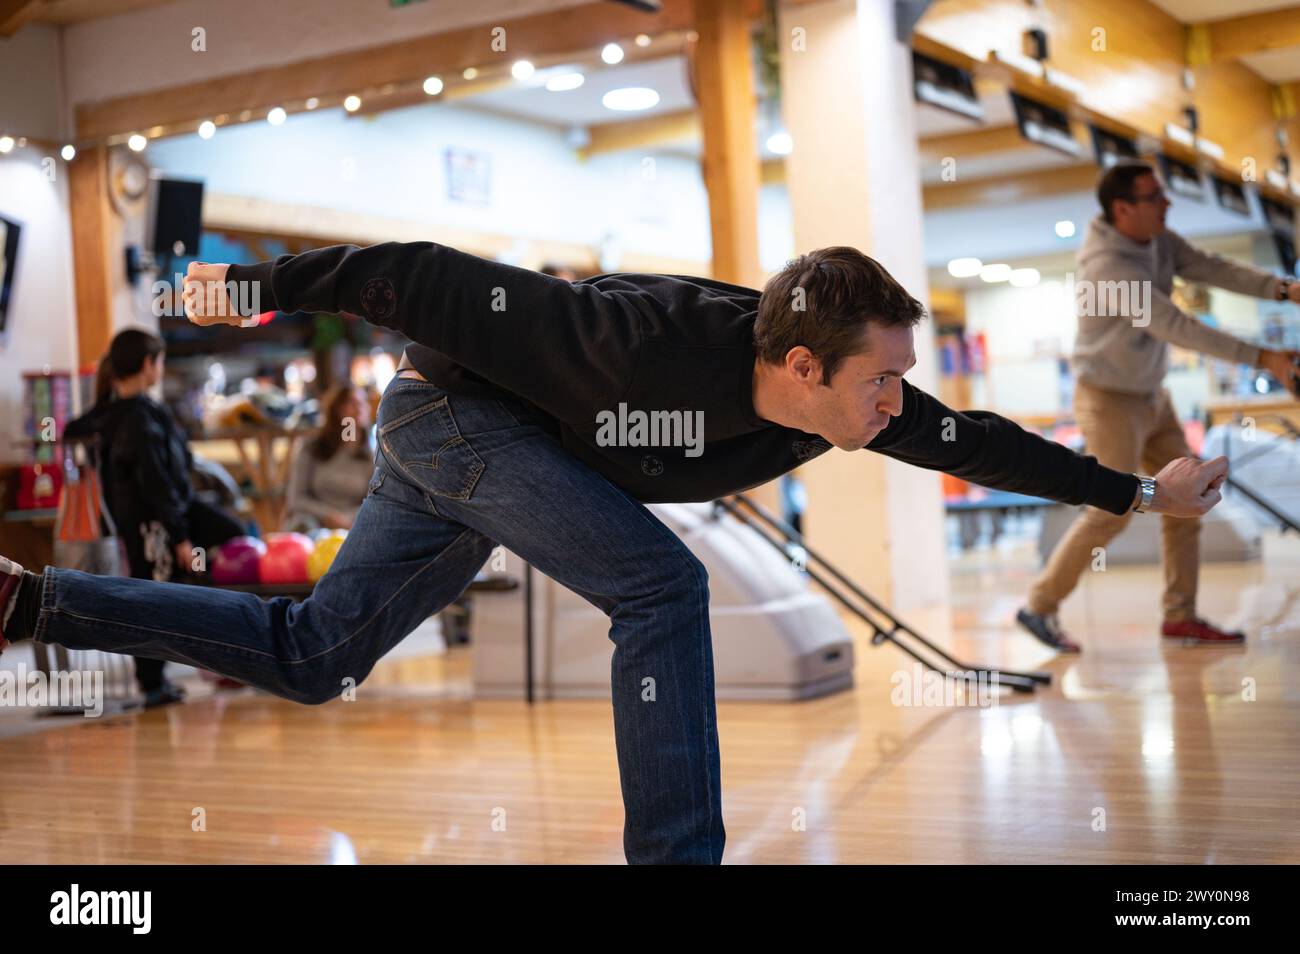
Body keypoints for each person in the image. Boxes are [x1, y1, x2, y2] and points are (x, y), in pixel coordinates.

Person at [1, 244, 1231, 864]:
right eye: (880, 382)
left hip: (503, 454)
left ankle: (34, 605)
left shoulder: (850, 398)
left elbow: (987, 439)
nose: (896, 406)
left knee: (317, 652)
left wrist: (1136, 487)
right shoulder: (629, 340)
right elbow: (417, 278)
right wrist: (252, 288)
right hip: (448, 417)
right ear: (804, 366)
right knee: (661, 585)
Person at [1016, 162, 1300, 653]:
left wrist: (1283, 289)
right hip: (1109, 398)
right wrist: (1264, 357)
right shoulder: (1107, 267)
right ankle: (1038, 605)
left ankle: (1180, 617)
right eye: (1155, 197)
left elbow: (1215, 268)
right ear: (1123, 209)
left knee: (1190, 496)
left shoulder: (1162, 240)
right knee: (1113, 508)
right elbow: (1177, 327)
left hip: (1153, 394)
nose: (1167, 204)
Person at [62, 329, 247, 706]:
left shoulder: (129, 412)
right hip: (153, 523)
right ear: (149, 365)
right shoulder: (135, 419)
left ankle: (204, 661)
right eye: (159, 361)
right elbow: (155, 483)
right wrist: (180, 538)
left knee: (228, 538)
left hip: (167, 514)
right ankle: (153, 682)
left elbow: (73, 429)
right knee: (150, 595)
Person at [284, 384, 375, 532]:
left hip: (355, 523)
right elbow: (296, 498)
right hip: (313, 521)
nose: (359, 408)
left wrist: (347, 519)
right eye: (351, 403)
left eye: (362, 403)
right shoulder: (311, 448)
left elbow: (375, 501)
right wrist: (327, 516)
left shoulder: (373, 455)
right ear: (336, 410)